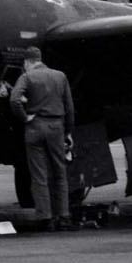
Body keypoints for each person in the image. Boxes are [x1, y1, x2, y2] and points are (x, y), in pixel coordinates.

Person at [10, 47, 77, 232]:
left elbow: (14, 99)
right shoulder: (59, 76)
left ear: (27, 62)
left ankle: (45, 218)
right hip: (56, 126)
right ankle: (63, 217)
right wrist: (68, 132)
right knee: (60, 173)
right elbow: (69, 107)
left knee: (39, 175)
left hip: (35, 127)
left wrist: (25, 117)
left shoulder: (27, 77)